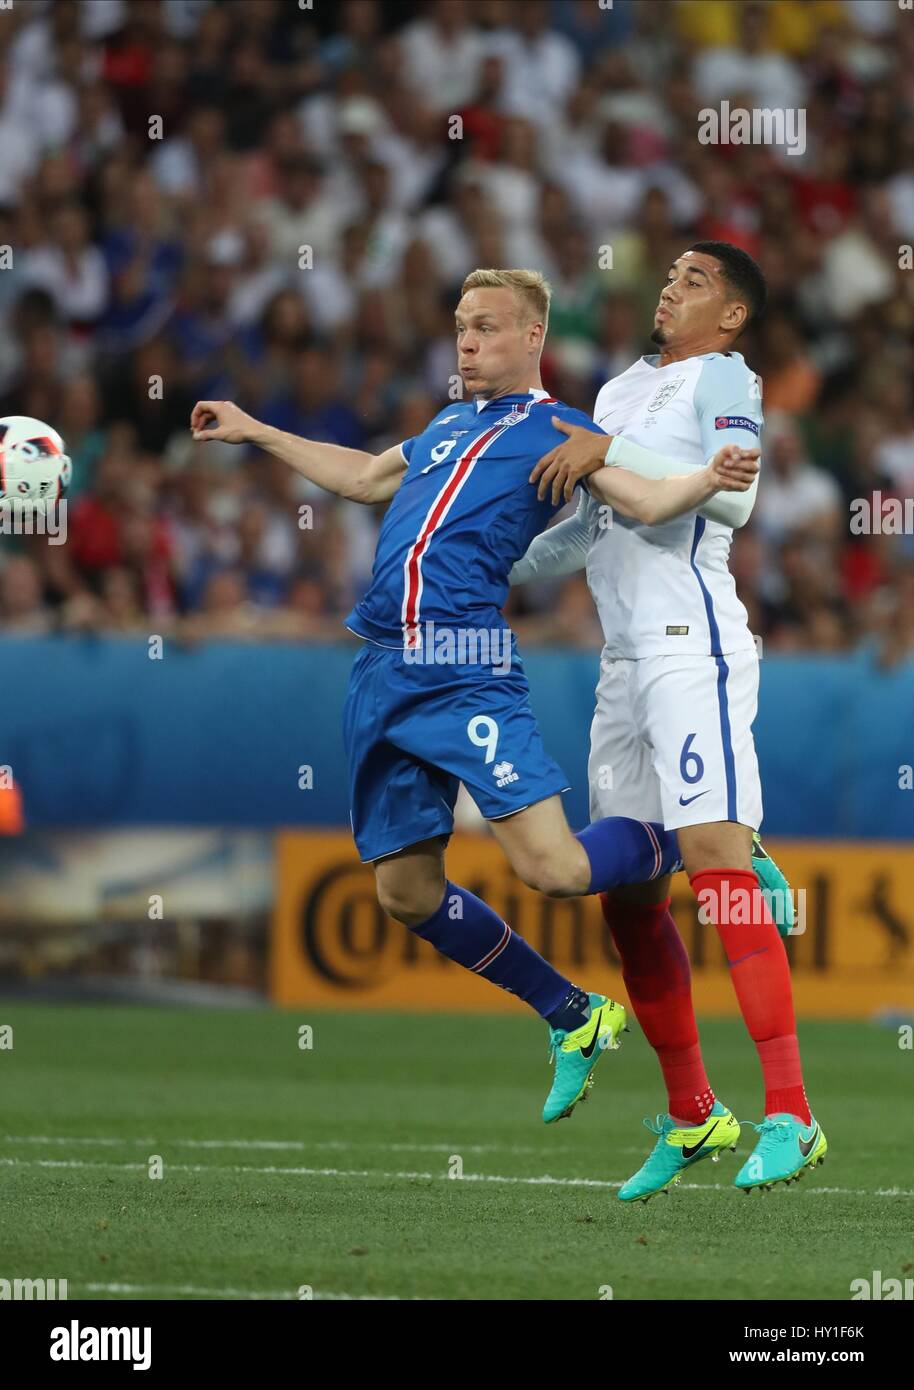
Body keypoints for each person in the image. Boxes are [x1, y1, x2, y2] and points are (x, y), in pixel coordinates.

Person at [190, 266, 757, 1126]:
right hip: (380, 668)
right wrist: (254, 429)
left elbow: (645, 500)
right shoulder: (448, 423)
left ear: (532, 338)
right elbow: (360, 480)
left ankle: (697, 841)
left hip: (464, 665)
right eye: (460, 325)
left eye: (487, 327)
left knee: (556, 869)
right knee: (405, 894)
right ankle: (573, 1015)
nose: (467, 341)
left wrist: (708, 478)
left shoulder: (561, 427)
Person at [510, 242, 825, 1199]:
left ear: (730, 314)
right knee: (632, 895)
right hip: (622, 661)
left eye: (695, 279)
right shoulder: (614, 391)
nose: (671, 285)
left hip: (695, 646)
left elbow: (736, 493)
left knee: (714, 859)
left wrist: (610, 451)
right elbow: (596, 526)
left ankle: (793, 1114)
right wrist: (493, 567)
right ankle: (692, 1116)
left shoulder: (725, 376)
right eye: (672, 273)